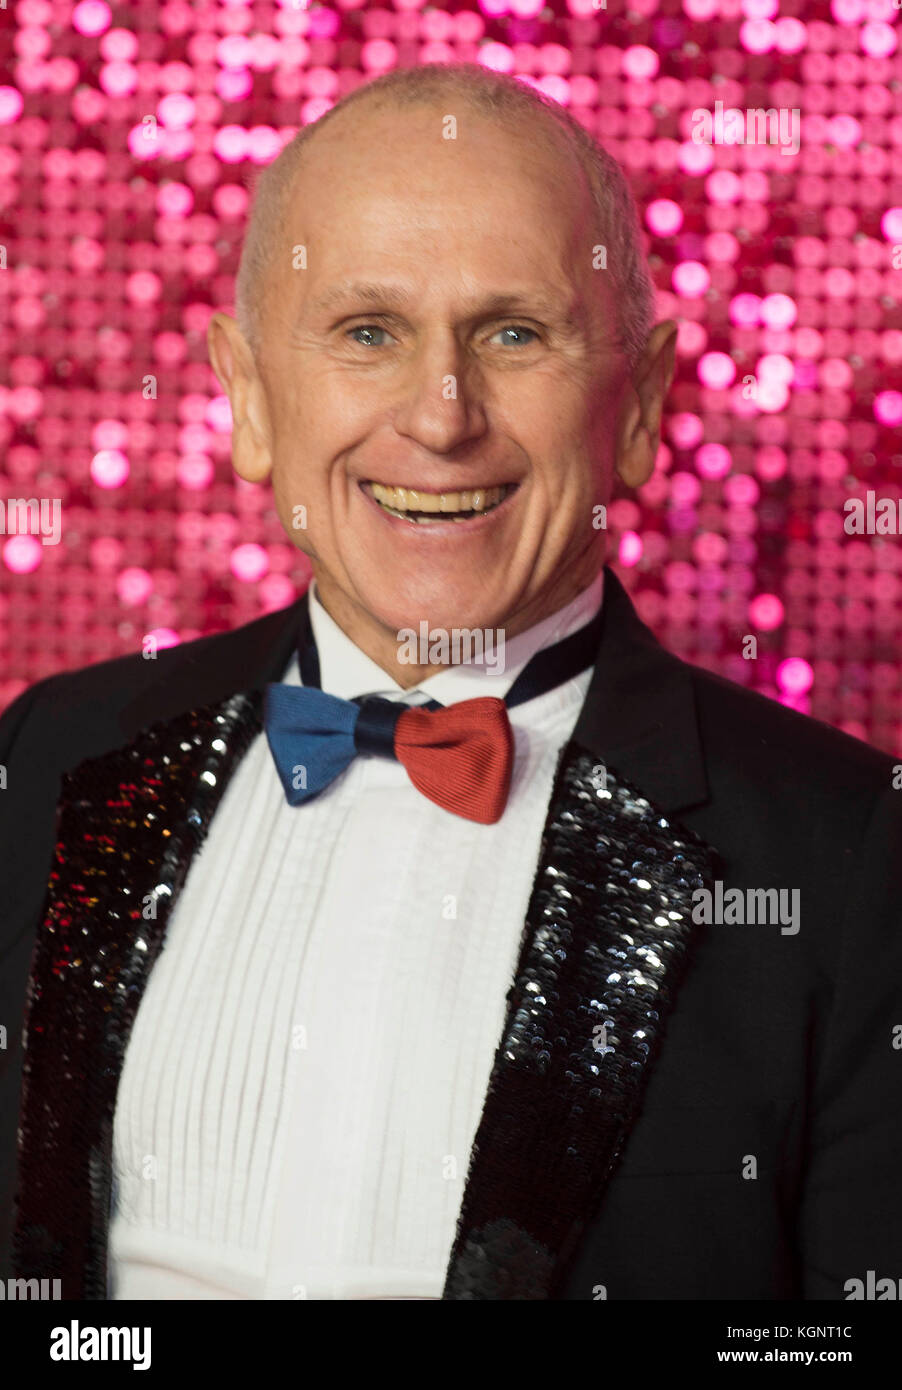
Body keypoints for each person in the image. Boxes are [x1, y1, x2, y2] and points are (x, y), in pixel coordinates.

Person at [1, 63, 899, 1301]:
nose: (439, 417)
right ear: (250, 398)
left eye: (513, 333)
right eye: (367, 331)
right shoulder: (52, 755)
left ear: (635, 406)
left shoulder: (850, 855)